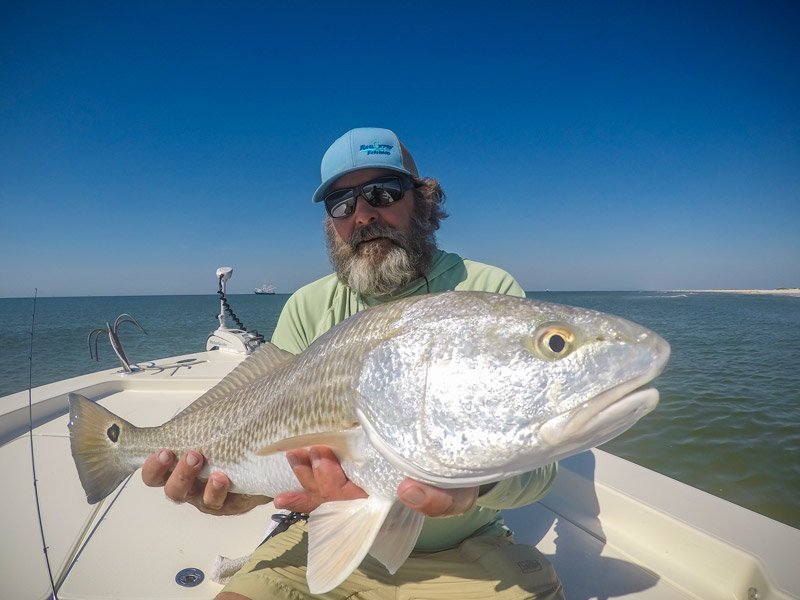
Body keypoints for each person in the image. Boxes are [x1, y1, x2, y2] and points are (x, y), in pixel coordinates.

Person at [142, 127, 564, 599]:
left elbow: (540, 470)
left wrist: (476, 489)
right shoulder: (307, 306)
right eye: (341, 203)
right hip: (318, 534)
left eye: (382, 192)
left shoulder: (486, 293)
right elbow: (264, 438)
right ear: (331, 222)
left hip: (461, 552)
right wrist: (234, 496)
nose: (362, 215)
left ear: (421, 202)